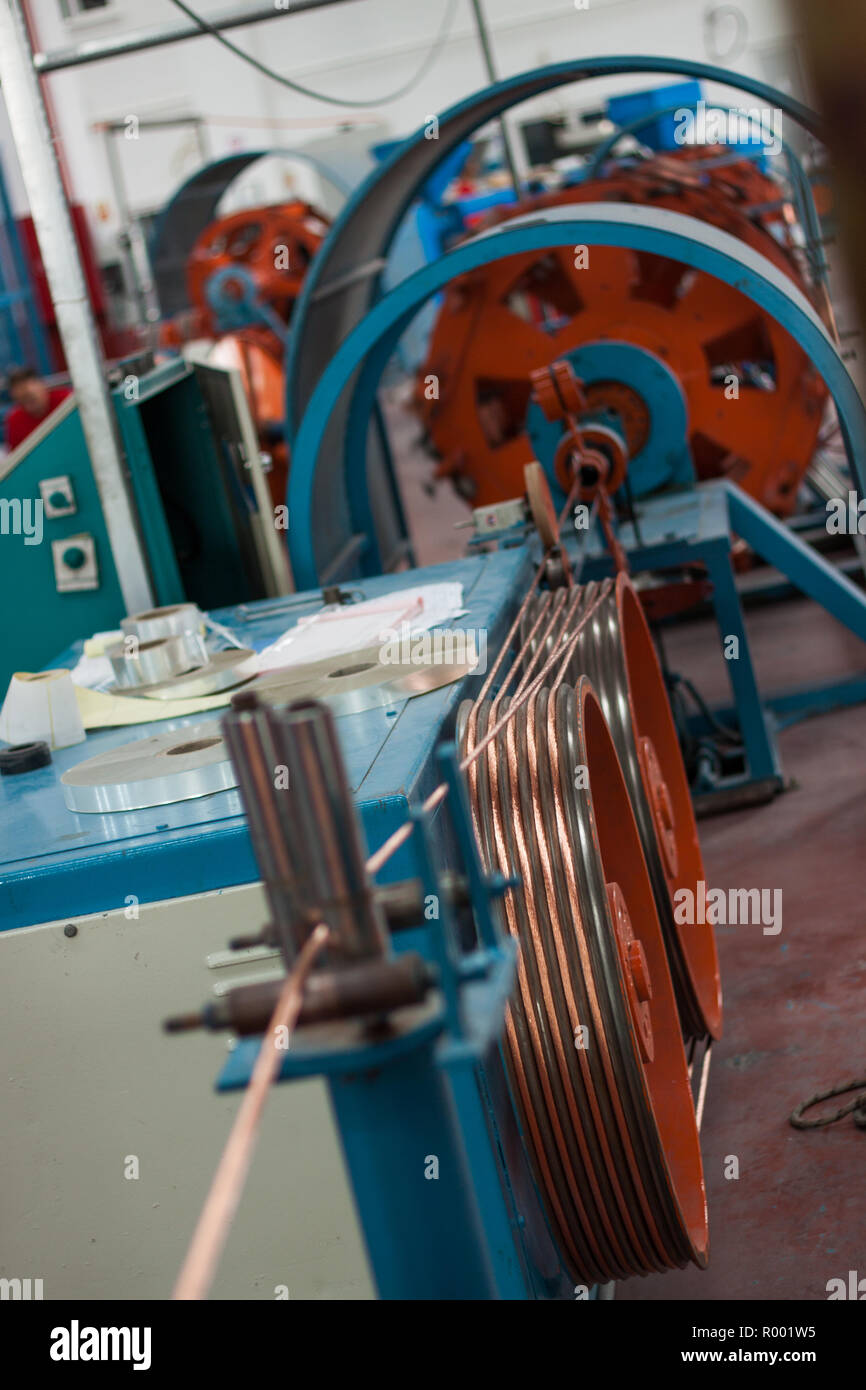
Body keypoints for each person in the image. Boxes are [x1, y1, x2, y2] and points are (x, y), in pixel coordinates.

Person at [4, 366, 71, 450]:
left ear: (42, 386)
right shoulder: (14, 420)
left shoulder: (65, 400)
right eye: (22, 400)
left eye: (30, 396)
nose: (28, 404)